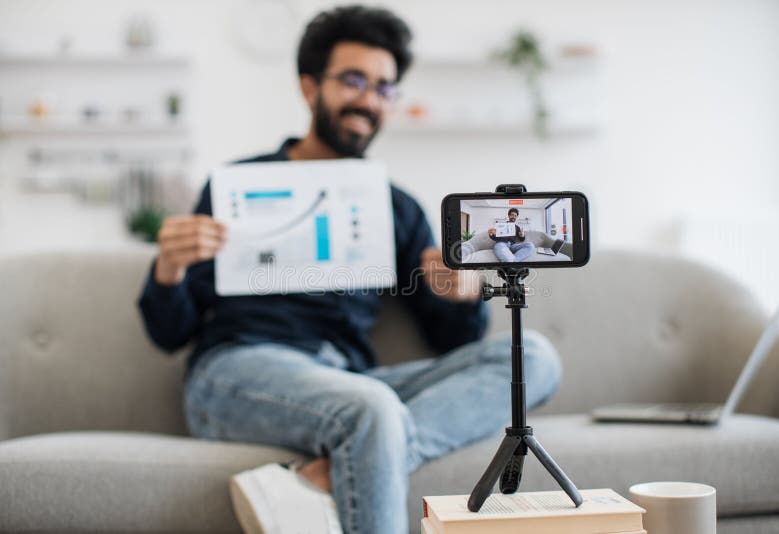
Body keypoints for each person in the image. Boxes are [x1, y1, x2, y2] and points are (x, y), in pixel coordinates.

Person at [137, 6, 562, 534]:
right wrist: (169, 269)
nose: (369, 99)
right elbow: (170, 332)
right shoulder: (237, 185)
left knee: (534, 358)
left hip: (348, 381)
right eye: (354, 80)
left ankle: (325, 473)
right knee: (371, 409)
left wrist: (463, 294)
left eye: (385, 87)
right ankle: (362, 443)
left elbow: (449, 340)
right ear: (310, 87)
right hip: (239, 370)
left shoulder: (397, 207)